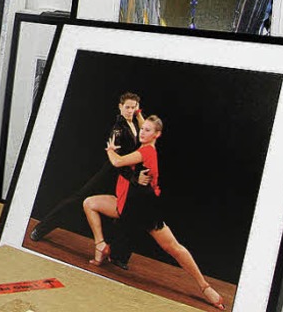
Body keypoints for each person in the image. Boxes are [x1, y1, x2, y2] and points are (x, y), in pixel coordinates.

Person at [82, 116, 225, 310]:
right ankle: (101, 246)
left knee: (174, 248)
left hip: (142, 209)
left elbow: (117, 162)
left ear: (157, 135)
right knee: (89, 203)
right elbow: (143, 129)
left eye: (148, 130)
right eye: (142, 129)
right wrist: (139, 115)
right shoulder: (145, 145)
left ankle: (205, 287)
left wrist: (109, 150)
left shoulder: (147, 151)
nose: (142, 132)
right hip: (126, 204)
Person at [30, 92, 143, 268]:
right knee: (78, 199)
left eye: (133, 107)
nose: (130, 110)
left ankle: (119, 256)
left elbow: (144, 135)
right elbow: (116, 157)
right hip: (113, 171)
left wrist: (138, 114)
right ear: (120, 107)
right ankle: (41, 228)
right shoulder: (118, 128)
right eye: (127, 107)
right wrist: (132, 176)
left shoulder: (135, 123)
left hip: (126, 175)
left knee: (127, 213)